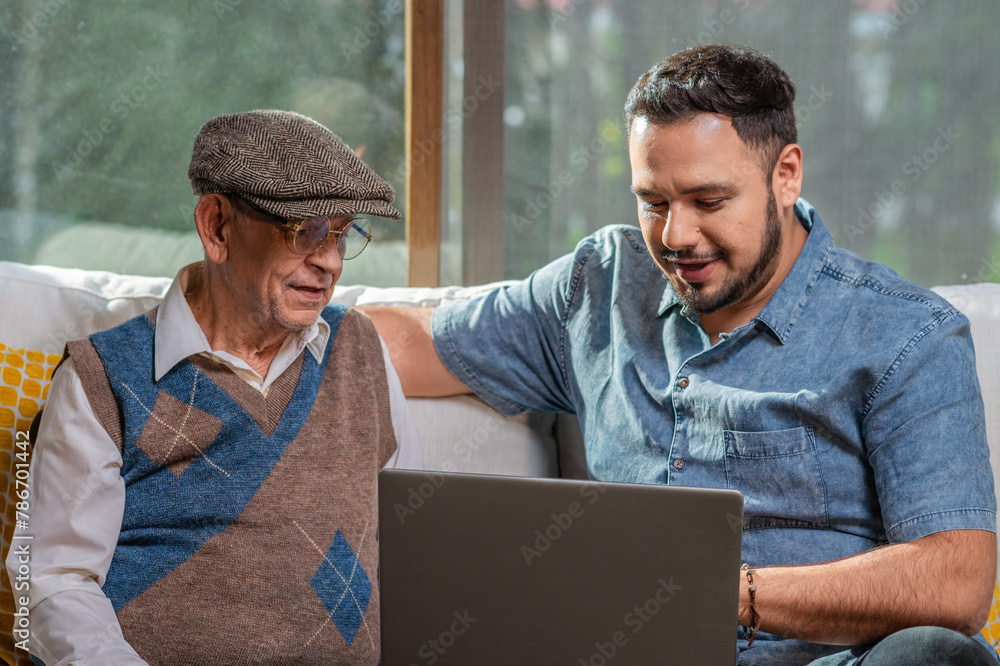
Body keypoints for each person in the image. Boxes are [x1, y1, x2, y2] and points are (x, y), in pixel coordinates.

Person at [364, 45, 998, 664]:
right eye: (654, 202)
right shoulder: (600, 288)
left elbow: (956, 584)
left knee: (936, 655)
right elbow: (407, 344)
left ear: (785, 175)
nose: (676, 236)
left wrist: (720, 590)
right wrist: (304, 282)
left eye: (708, 201)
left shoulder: (906, 334)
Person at [10, 110, 422, 665]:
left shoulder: (360, 352)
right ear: (217, 227)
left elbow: (414, 542)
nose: (329, 261)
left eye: (342, 233)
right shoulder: (102, 378)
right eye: (305, 229)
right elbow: (55, 583)